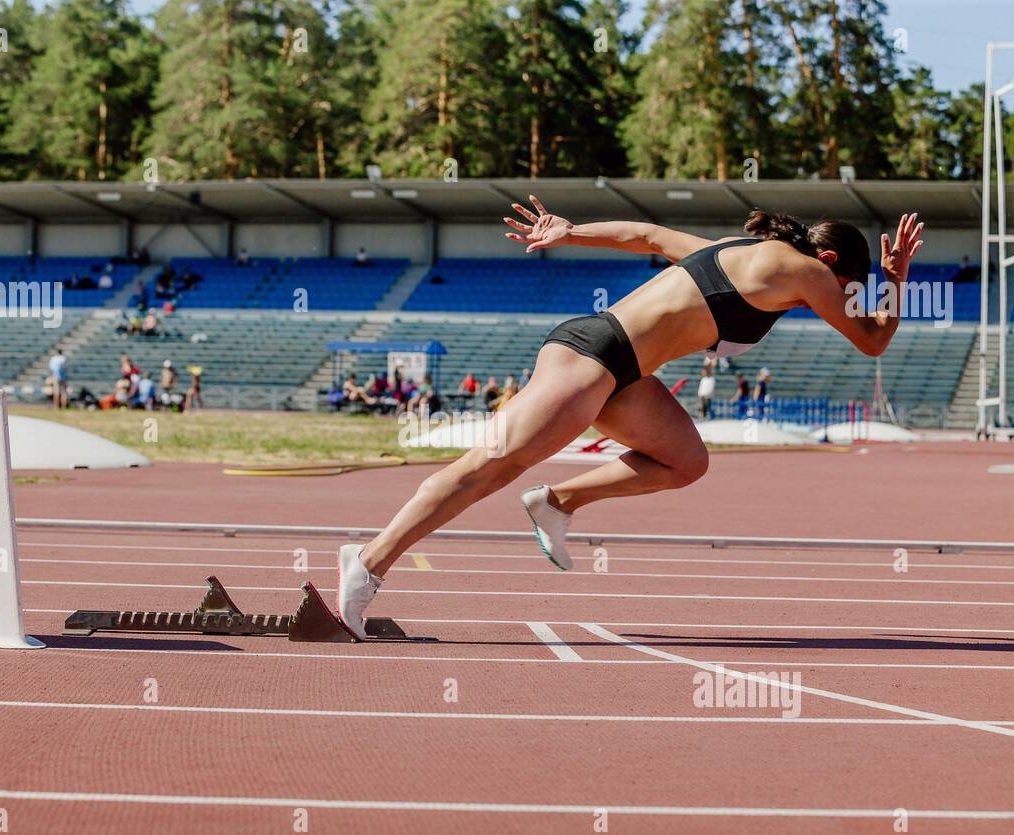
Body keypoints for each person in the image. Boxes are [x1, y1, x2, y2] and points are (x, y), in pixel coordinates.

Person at [330, 196, 923, 638]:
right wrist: (894, 281)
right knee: (488, 466)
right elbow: (872, 340)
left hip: (622, 374)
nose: (837, 300)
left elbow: (646, 233)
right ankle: (368, 561)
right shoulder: (811, 271)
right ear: (827, 261)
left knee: (686, 460)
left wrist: (571, 232)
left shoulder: (739, 252)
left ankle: (558, 502)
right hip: (595, 358)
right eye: (849, 287)